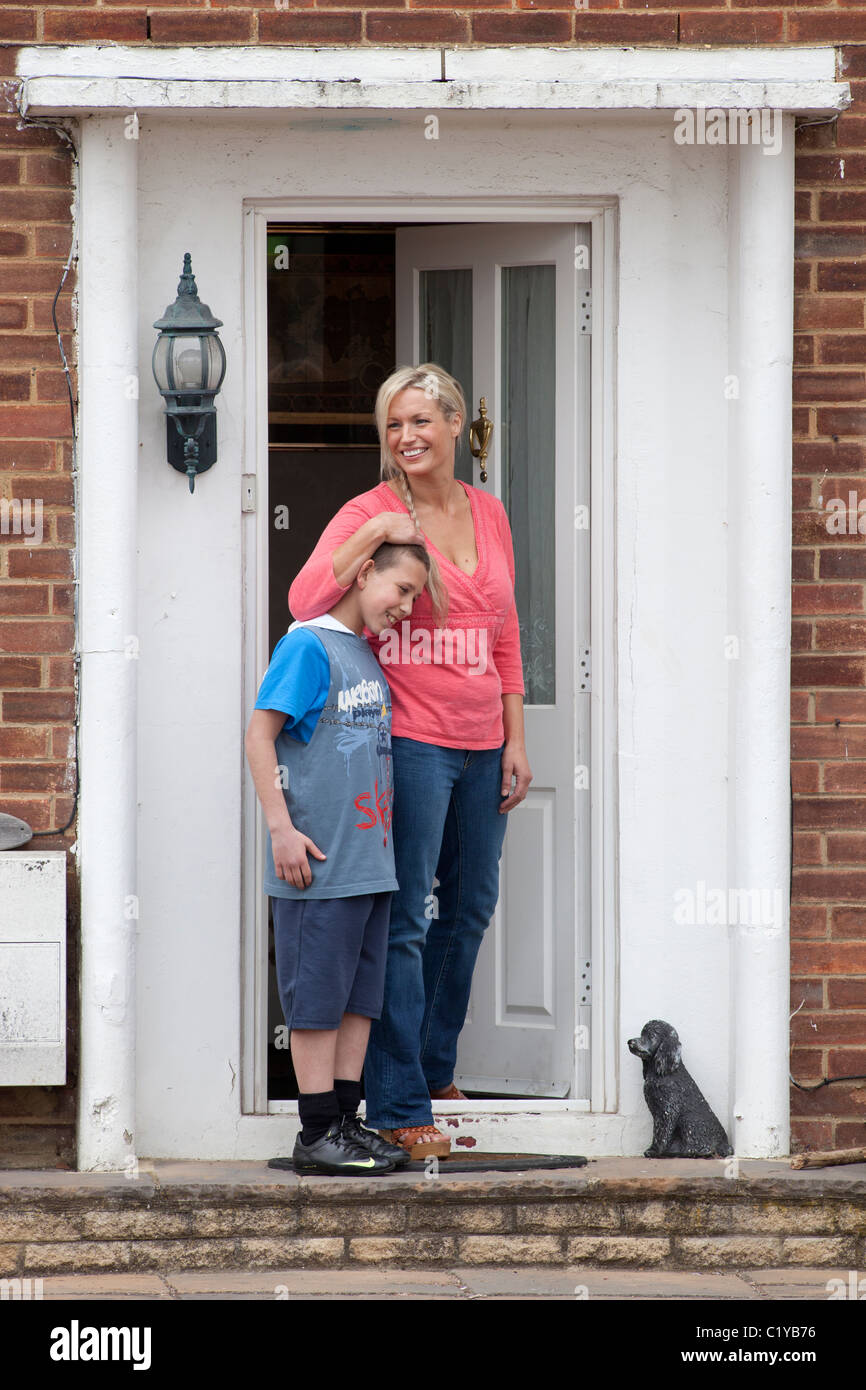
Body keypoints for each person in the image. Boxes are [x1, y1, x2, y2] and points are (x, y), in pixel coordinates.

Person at [288, 363, 532, 1160]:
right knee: (405, 923)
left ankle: (434, 1066)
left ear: (458, 424)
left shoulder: (488, 512)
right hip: (413, 738)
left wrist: (515, 736)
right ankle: (396, 1102)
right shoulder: (372, 510)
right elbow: (305, 602)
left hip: (481, 738)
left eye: (422, 420)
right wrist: (376, 532)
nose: (407, 437)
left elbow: (504, 631)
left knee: (468, 910)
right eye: (393, 424)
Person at [245, 539, 430, 1175]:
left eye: (416, 597)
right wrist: (281, 829)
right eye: (401, 589)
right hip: (318, 865)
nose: (407, 606)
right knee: (317, 1001)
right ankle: (316, 1133)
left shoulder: (366, 655)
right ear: (363, 571)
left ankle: (345, 1126)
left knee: (358, 1001)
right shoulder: (307, 645)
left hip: (369, 865)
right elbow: (259, 736)